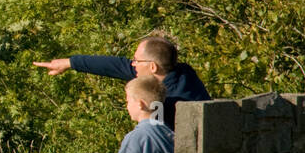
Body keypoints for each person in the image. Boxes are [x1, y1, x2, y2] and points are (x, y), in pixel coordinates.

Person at [33, 34, 210, 129]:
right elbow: (115, 65)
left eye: (136, 60)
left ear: (153, 67)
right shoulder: (179, 71)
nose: (132, 64)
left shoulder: (168, 103)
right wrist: (69, 62)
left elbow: (153, 137)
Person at [117, 76, 175, 153]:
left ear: (140, 104)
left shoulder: (136, 137)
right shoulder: (168, 132)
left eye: (128, 101)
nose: (127, 106)